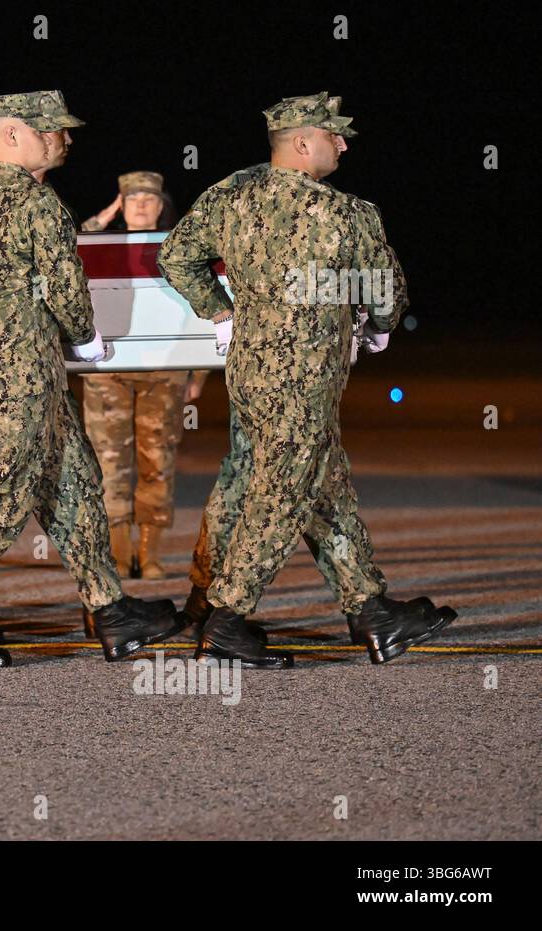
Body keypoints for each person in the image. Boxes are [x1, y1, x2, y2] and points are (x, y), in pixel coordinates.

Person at [157, 92, 456, 668]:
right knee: (284, 490)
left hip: (249, 369)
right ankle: (226, 617)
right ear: (302, 142)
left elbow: (176, 256)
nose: (342, 144)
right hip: (307, 374)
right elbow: (386, 296)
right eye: (334, 136)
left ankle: (370, 609)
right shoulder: (348, 213)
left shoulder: (230, 196)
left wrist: (220, 310)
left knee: (321, 481)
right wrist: (380, 326)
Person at [0, 90, 180, 668]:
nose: (65, 139)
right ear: (15, 135)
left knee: (75, 481)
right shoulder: (37, 203)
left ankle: (110, 608)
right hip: (26, 371)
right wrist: (85, 337)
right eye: (54, 131)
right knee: (0, 494)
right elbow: (67, 286)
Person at [79, 171, 207, 579]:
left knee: (157, 462)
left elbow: (201, 312)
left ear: (161, 205)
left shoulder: (177, 250)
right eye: (130, 198)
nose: (139, 205)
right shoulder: (100, 246)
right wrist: (104, 218)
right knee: (109, 464)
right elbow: (65, 248)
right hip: (107, 372)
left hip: (163, 371)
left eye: (148, 198)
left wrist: (198, 374)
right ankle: (118, 551)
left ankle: (149, 554)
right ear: (120, 204)